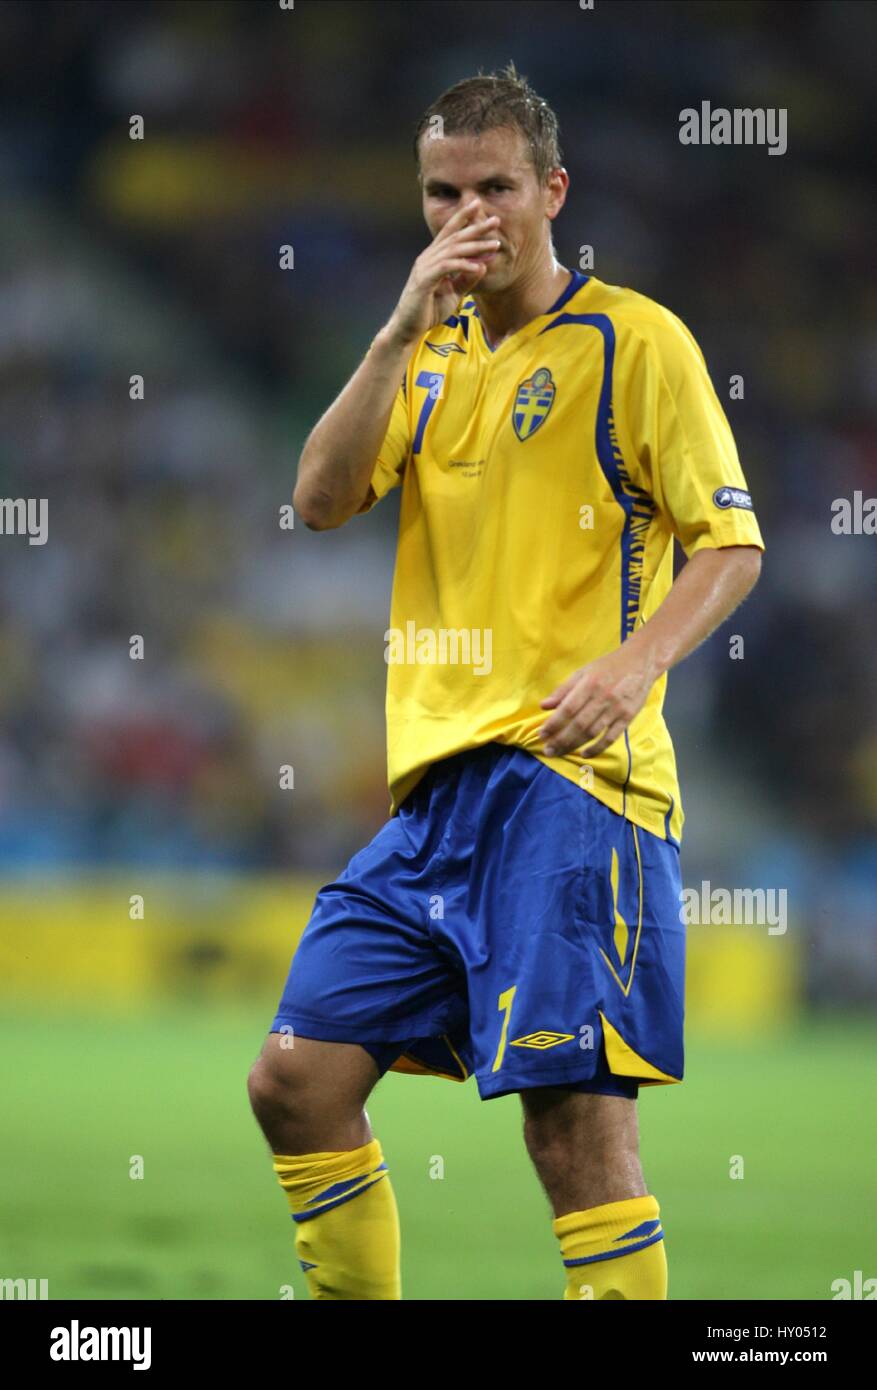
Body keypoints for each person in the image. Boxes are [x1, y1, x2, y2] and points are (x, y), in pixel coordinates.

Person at [247, 62, 764, 1300]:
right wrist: (393, 332)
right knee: (295, 1078)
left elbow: (731, 545)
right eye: (442, 193)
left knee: (571, 1131)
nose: (467, 215)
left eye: (495, 188)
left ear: (553, 192)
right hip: (434, 799)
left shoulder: (635, 341)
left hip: (574, 791)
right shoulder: (422, 354)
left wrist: (634, 666)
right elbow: (318, 499)